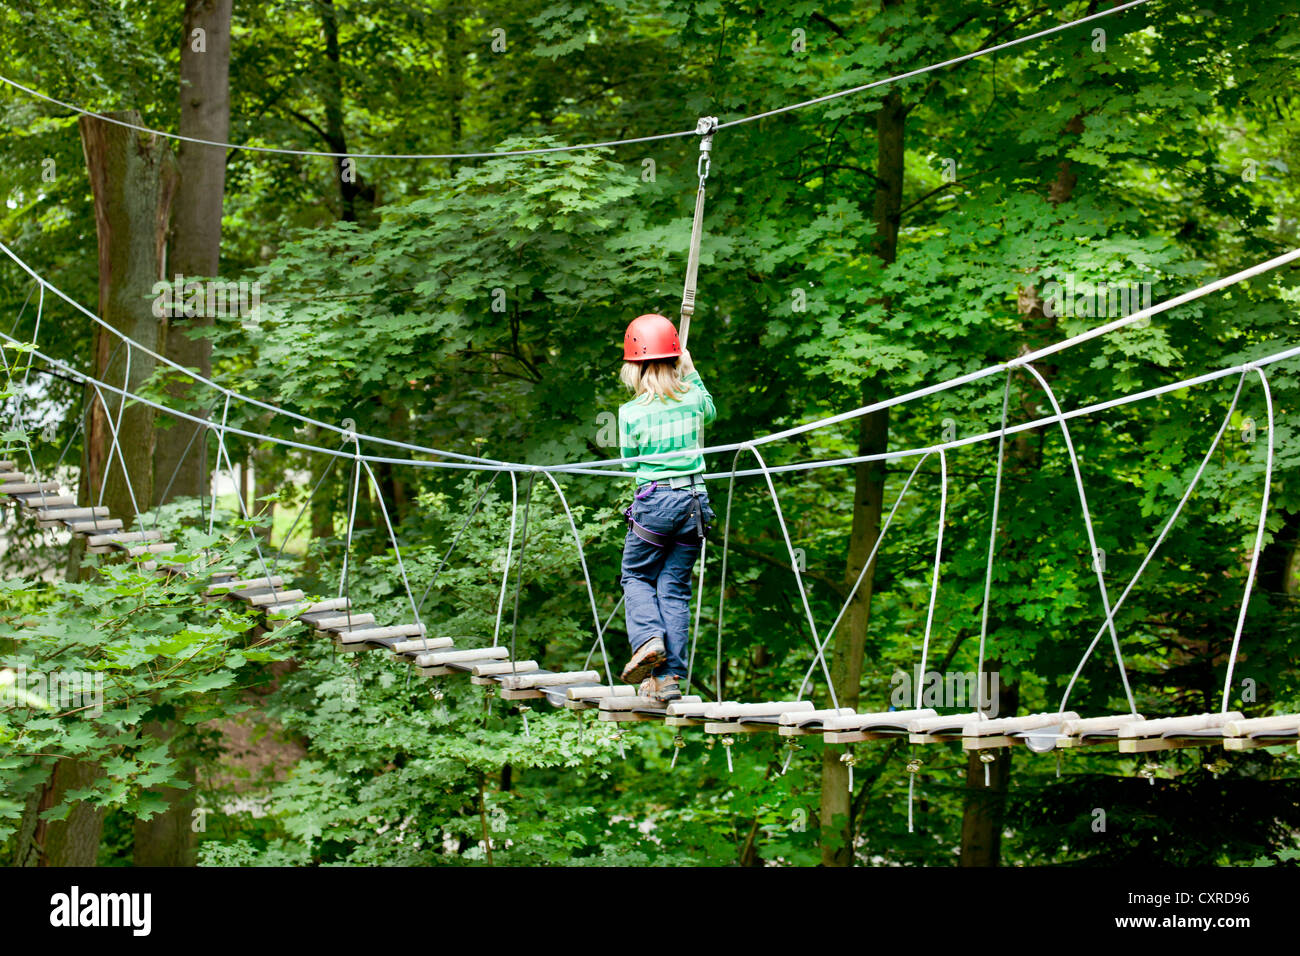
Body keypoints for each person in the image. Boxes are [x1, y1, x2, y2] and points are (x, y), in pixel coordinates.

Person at [616, 313, 716, 703]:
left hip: (656, 503)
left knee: (636, 576)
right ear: (676, 360)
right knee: (673, 588)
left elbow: (630, 463)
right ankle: (669, 676)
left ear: (633, 367)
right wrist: (691, 373)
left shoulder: (631, 412)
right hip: (695, 503)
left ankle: (647, 640)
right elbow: (709, 410)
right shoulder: (691, 398)